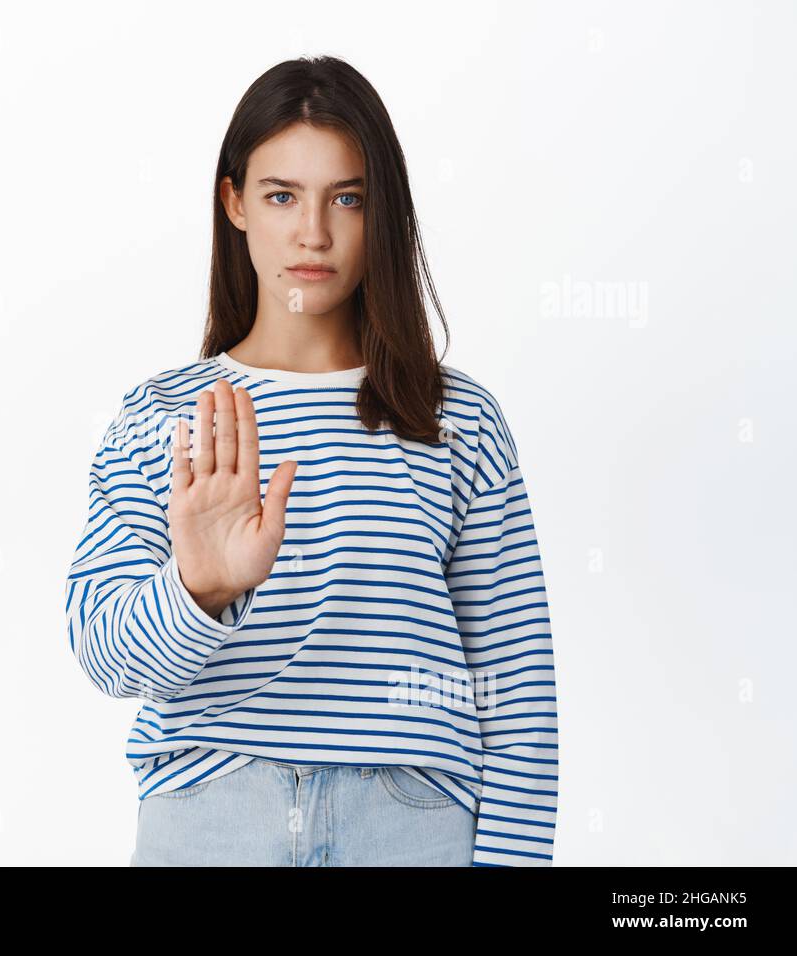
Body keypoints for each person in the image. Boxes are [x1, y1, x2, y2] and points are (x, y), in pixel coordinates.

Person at [63, 55, 558, 866]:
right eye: (281, 195)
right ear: (234, 203)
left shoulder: (456, 419)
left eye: (348, 198)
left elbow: (515, 689)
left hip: (409, 825)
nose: (314, 233)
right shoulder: (163, 417)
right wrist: (200, 588)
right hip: (214, 816)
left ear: (382, 211)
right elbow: (104, 654)